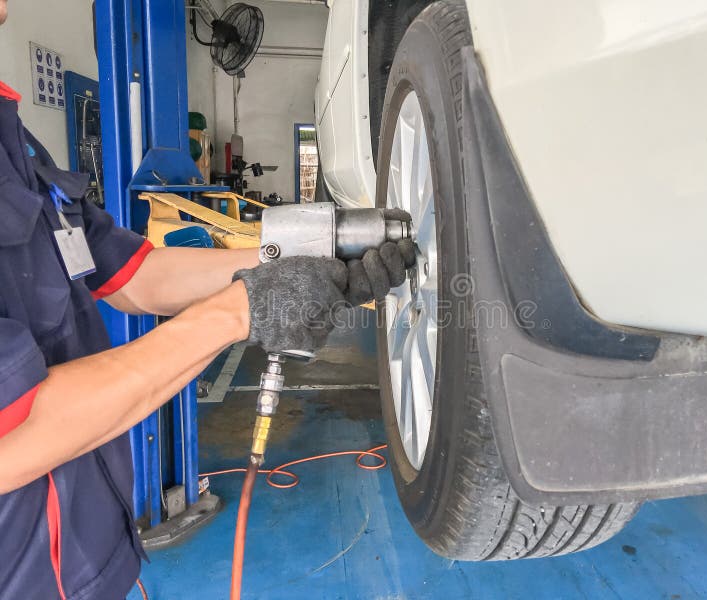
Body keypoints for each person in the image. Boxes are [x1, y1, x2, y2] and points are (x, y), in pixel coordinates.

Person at [0, 2, 414, 597]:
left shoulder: (15, 141)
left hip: (92, 560)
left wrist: (300, 258)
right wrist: (241, 310)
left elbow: (136, 277)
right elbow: (16, 430)